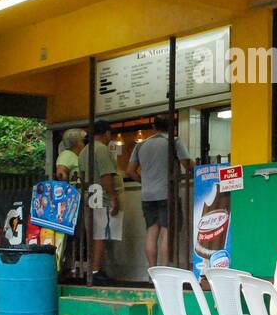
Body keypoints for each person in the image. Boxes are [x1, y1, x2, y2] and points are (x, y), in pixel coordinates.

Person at [126, 116, 192, 267]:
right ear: (172, 128)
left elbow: (130, 171)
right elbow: (187, 164)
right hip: (167, 194)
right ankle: (164, 270)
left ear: (154, 128)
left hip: (147, 196)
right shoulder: (174, 141)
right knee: (166, 232)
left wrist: (145, 182)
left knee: (151, 232)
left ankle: (152, 271)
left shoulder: (141, 145)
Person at [77, 120, 122, 284]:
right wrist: (114, 197)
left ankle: (92, 269)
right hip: (101, 197)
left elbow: (82, 176)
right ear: (106, 133)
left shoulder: (83, 151)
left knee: (92, 234)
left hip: (88, 197)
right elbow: (106, 176)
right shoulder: (102, 149)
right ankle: (96, 271)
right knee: (101, 235)